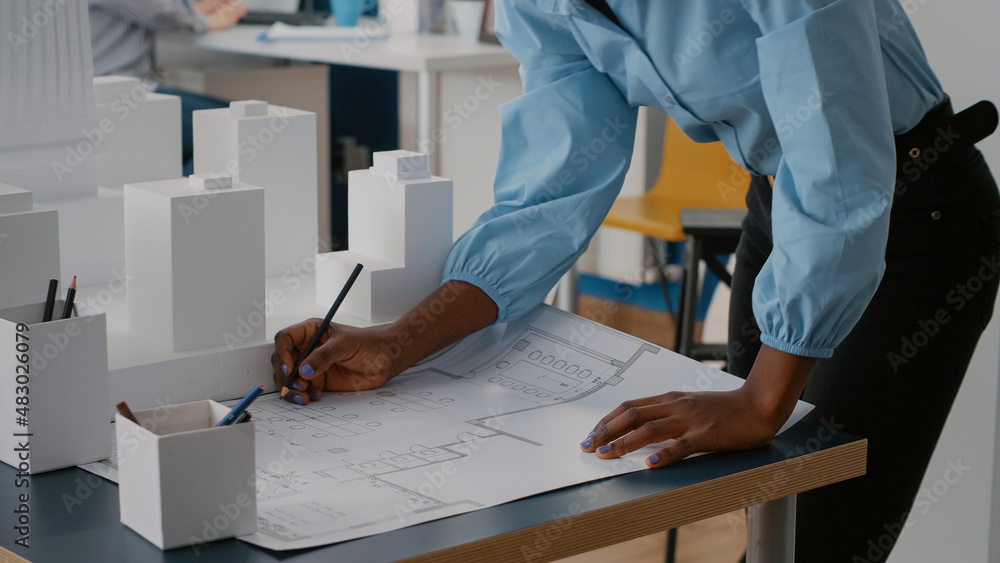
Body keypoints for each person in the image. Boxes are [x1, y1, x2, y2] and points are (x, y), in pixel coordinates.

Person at [271, 1, 1000, 561]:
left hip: (918, 218)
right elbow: (553, 184)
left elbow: (839, 155)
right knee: (771, 518)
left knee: (820, 537)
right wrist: (398, 342)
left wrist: (761, 398)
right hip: (778, 202)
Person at [89, 0, 249, 174]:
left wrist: (192, 11)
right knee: (241, 127)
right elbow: (157, 13)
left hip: (106, 92)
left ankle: (179, 187)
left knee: (232, 116)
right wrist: (205, 21)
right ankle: (183, 195)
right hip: (119, 96)